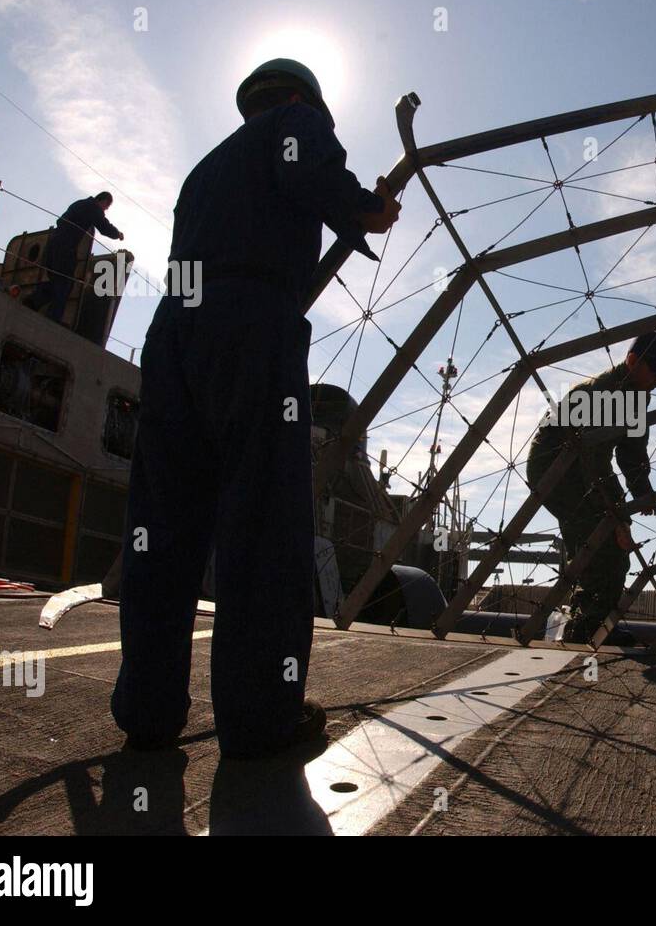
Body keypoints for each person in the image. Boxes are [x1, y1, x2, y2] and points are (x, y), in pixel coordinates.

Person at [111, 58, 400, 758]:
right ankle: (261, 715)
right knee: (264, 522)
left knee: (164, 527)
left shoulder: (206, 170)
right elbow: (307, 168)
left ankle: (147, 712)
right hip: (250, 327)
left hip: (175, 336)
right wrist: (367, 209)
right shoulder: (293, 122)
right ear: (301, 101)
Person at [525, 332, 656, 643]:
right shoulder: (602, 392)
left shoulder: (637, 394)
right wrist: (618, 516)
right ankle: (586, 625)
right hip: (556, 470)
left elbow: (631, 451)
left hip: (583, 468)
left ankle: (591, 622)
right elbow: (592, 462)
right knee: (601, 541)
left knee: (605, 542)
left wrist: (641, 490)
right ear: (633, 361)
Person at [42, 192, 124, 325]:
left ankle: (34, 301)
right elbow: (104, 227)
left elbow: (61, 220)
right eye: (107, 206)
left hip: (53, 243)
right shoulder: (93, 208)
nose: (106, 209)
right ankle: (53, 318)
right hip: (66, 248)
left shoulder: (79, 203)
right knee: (65, 283)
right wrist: (118, 234)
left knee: (56, 280)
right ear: (102, 201)